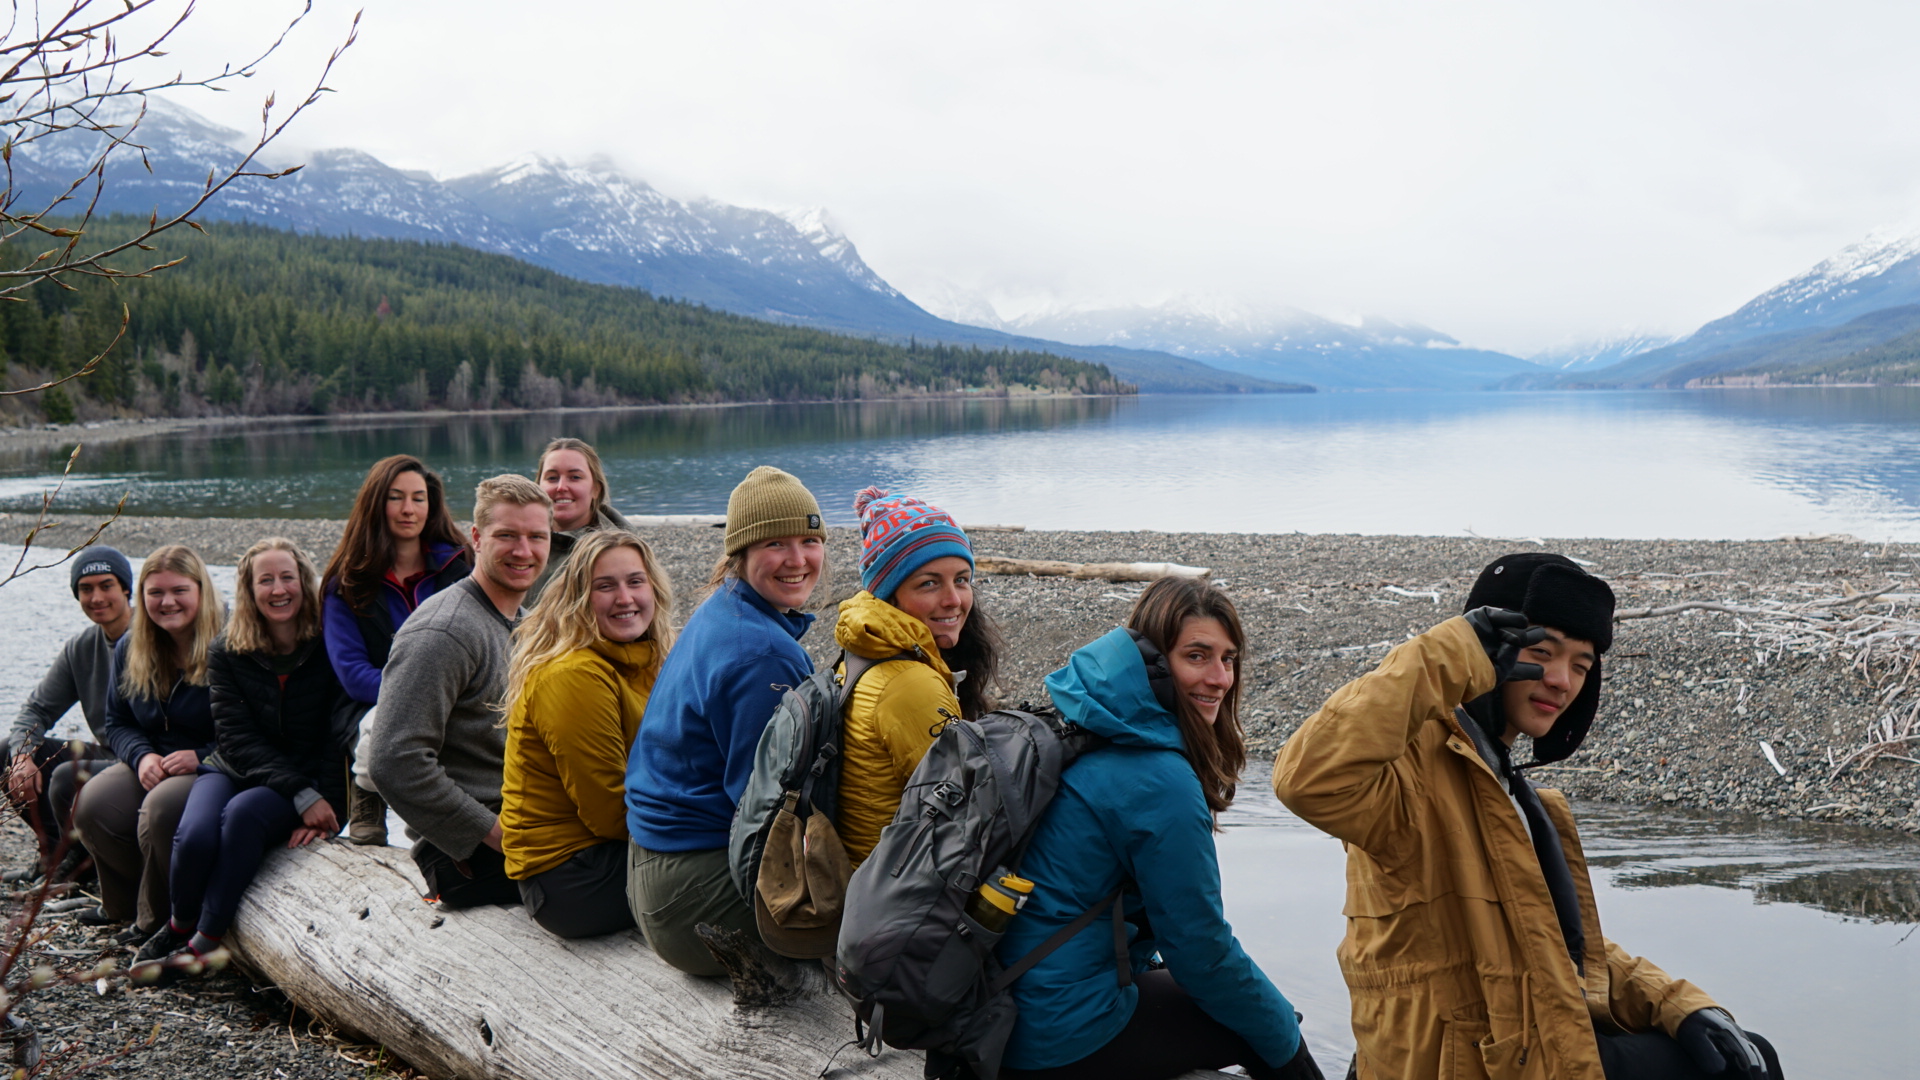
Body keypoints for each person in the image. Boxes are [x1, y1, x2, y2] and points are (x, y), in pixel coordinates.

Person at [1273, 554, 1784, 1080]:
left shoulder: (1513, 791)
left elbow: (1554, 947)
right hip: (1462, 1065)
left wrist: (1680, 1005)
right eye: (1541, 652)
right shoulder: (1406, 770)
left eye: (1581, 666)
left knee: (1743, 1052)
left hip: (1524, 1047)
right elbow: (1306, 779)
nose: (1562, 681)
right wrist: (1444, 653)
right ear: (1485, 650)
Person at [996, 578, 1322, 1080]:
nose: (1219, 678)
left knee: (1261, 1011)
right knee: (1271, 1030)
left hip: (1010, 1004)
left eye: (1228, 658)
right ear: (1152, 663)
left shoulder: (1090, 724)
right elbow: (1204, 952)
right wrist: (1293, 1052)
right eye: (1197, 656)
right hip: (1058, 1034)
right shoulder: (1160, 780)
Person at [624, 465, 825, 975]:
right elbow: (767, 813)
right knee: (880, 921)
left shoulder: (728, 609)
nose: (798, 559)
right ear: (742, 553)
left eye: (809, 539)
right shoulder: (762, 655)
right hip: (692, 902)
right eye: (775, 544)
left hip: (655, 873)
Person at [133, 538, 351, 974]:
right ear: (248, 591)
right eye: (264, 580)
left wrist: (328, 803)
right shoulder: (227, 650)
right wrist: (301, 796)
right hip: (235, 765)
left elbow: (337, 737)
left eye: (287, 577)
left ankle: (206, 945)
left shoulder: (330, 646)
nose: (277, 589)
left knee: (242, 816)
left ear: (304, 584)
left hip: (303, 774)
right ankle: (178, 925)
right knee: (193, 834)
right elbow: (234, 737)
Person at [368, 475, 552, 909]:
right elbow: (393, 760)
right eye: (506, 535)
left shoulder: (524, 623)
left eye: (536, 537)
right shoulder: (444, 631)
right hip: (467, 856)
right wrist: (495, 835)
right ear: (477, 538)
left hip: (524, 827)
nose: (524, 551)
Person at [499, 529, 675, 938]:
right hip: (569, 879)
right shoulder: (574, 675)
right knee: (729, 872)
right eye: (605, 587)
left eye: (635, 581)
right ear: (578, 600)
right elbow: (609, 813)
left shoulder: (643, 661)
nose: (625, 598)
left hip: (604, 854)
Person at [834, 487, 999, 866]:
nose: (954, 600)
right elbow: (973, 810)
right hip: (899, 898)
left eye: (961, 579)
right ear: (890, 594)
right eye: (929, 583)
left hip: (878, 879)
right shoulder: (909, 683)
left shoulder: (865, 652)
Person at [72, 545, 227, 944]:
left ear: (201, 591)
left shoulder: (228, 643)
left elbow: (252, 727)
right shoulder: (132, 646)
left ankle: (159, 920)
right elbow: (117, 722)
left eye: (179, 590)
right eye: (155, 592)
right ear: (140, 596)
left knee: (159, 809)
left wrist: (200, 756)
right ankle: (125, 904)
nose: (167, 602)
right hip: (154, 756)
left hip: (217, 763)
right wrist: (141, 757)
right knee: (92, 804)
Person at [321, 454, 473, 846]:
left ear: (431, 504)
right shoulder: (347, 583)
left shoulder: (459, 567)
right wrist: (416, 693)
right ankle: (367, 796)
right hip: (369, 703)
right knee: (383, 722)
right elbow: (353, 673)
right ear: (376, 504)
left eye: (418, 498)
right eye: (396, 497)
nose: (409, 509)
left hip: (454, 695)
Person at [6, 546, 135, 879]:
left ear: (126, 589)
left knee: (65, 778)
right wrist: (23, 757)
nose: (96, 597)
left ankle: (86, 860)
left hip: (141, 759)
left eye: (106, 585)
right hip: (106, 753)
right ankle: (55, 855)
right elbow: (36, 709)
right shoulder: (81, 648)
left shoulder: (154, 638)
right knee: (7, 750)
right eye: (85, 589)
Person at [527, 437, 632, 604]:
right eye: (552, 478)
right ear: (538, 487)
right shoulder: (518, 542)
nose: (561, 487)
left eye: (574, 477)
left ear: (595, 489)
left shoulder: (620, 551)